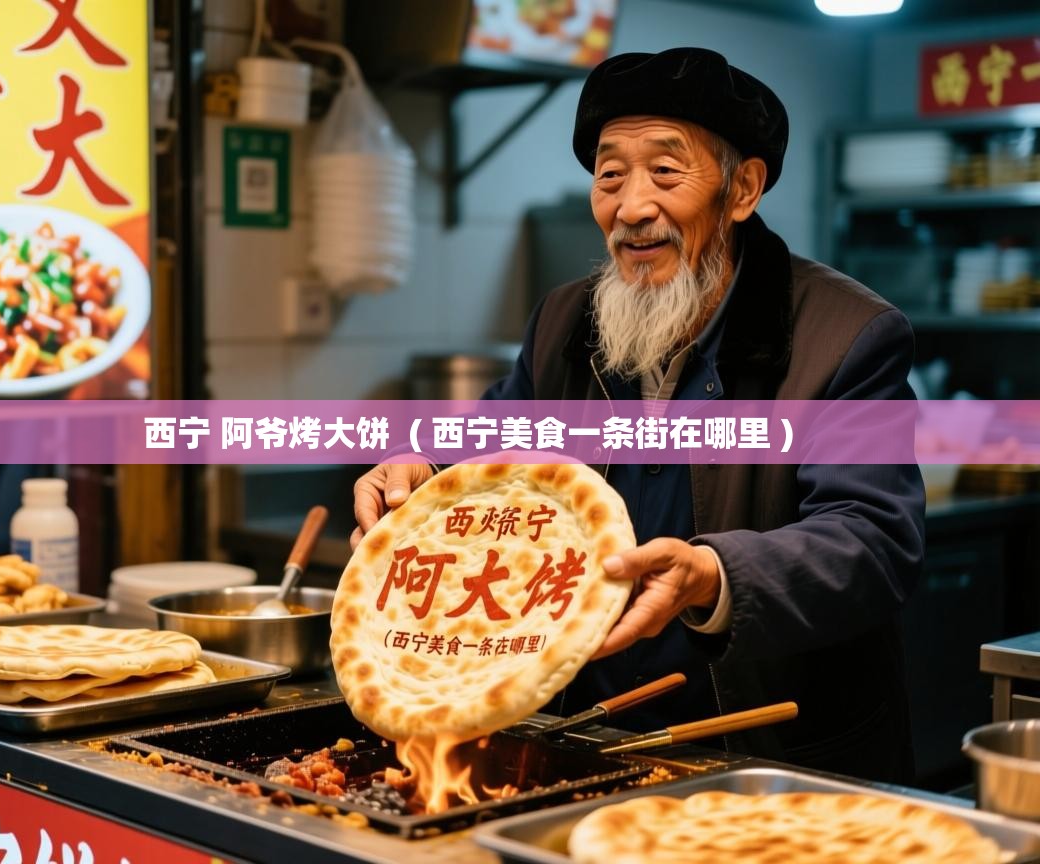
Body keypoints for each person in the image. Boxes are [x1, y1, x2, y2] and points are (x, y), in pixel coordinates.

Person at [351, 47, 925, 783]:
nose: (631, 208)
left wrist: (716, 574)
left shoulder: (846, 334)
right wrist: (422, 469)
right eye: (610, 174)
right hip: (580, 739)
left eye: (665, 170)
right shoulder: (567, 319)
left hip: (761, 749)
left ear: (743, 188)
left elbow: (874, 541)